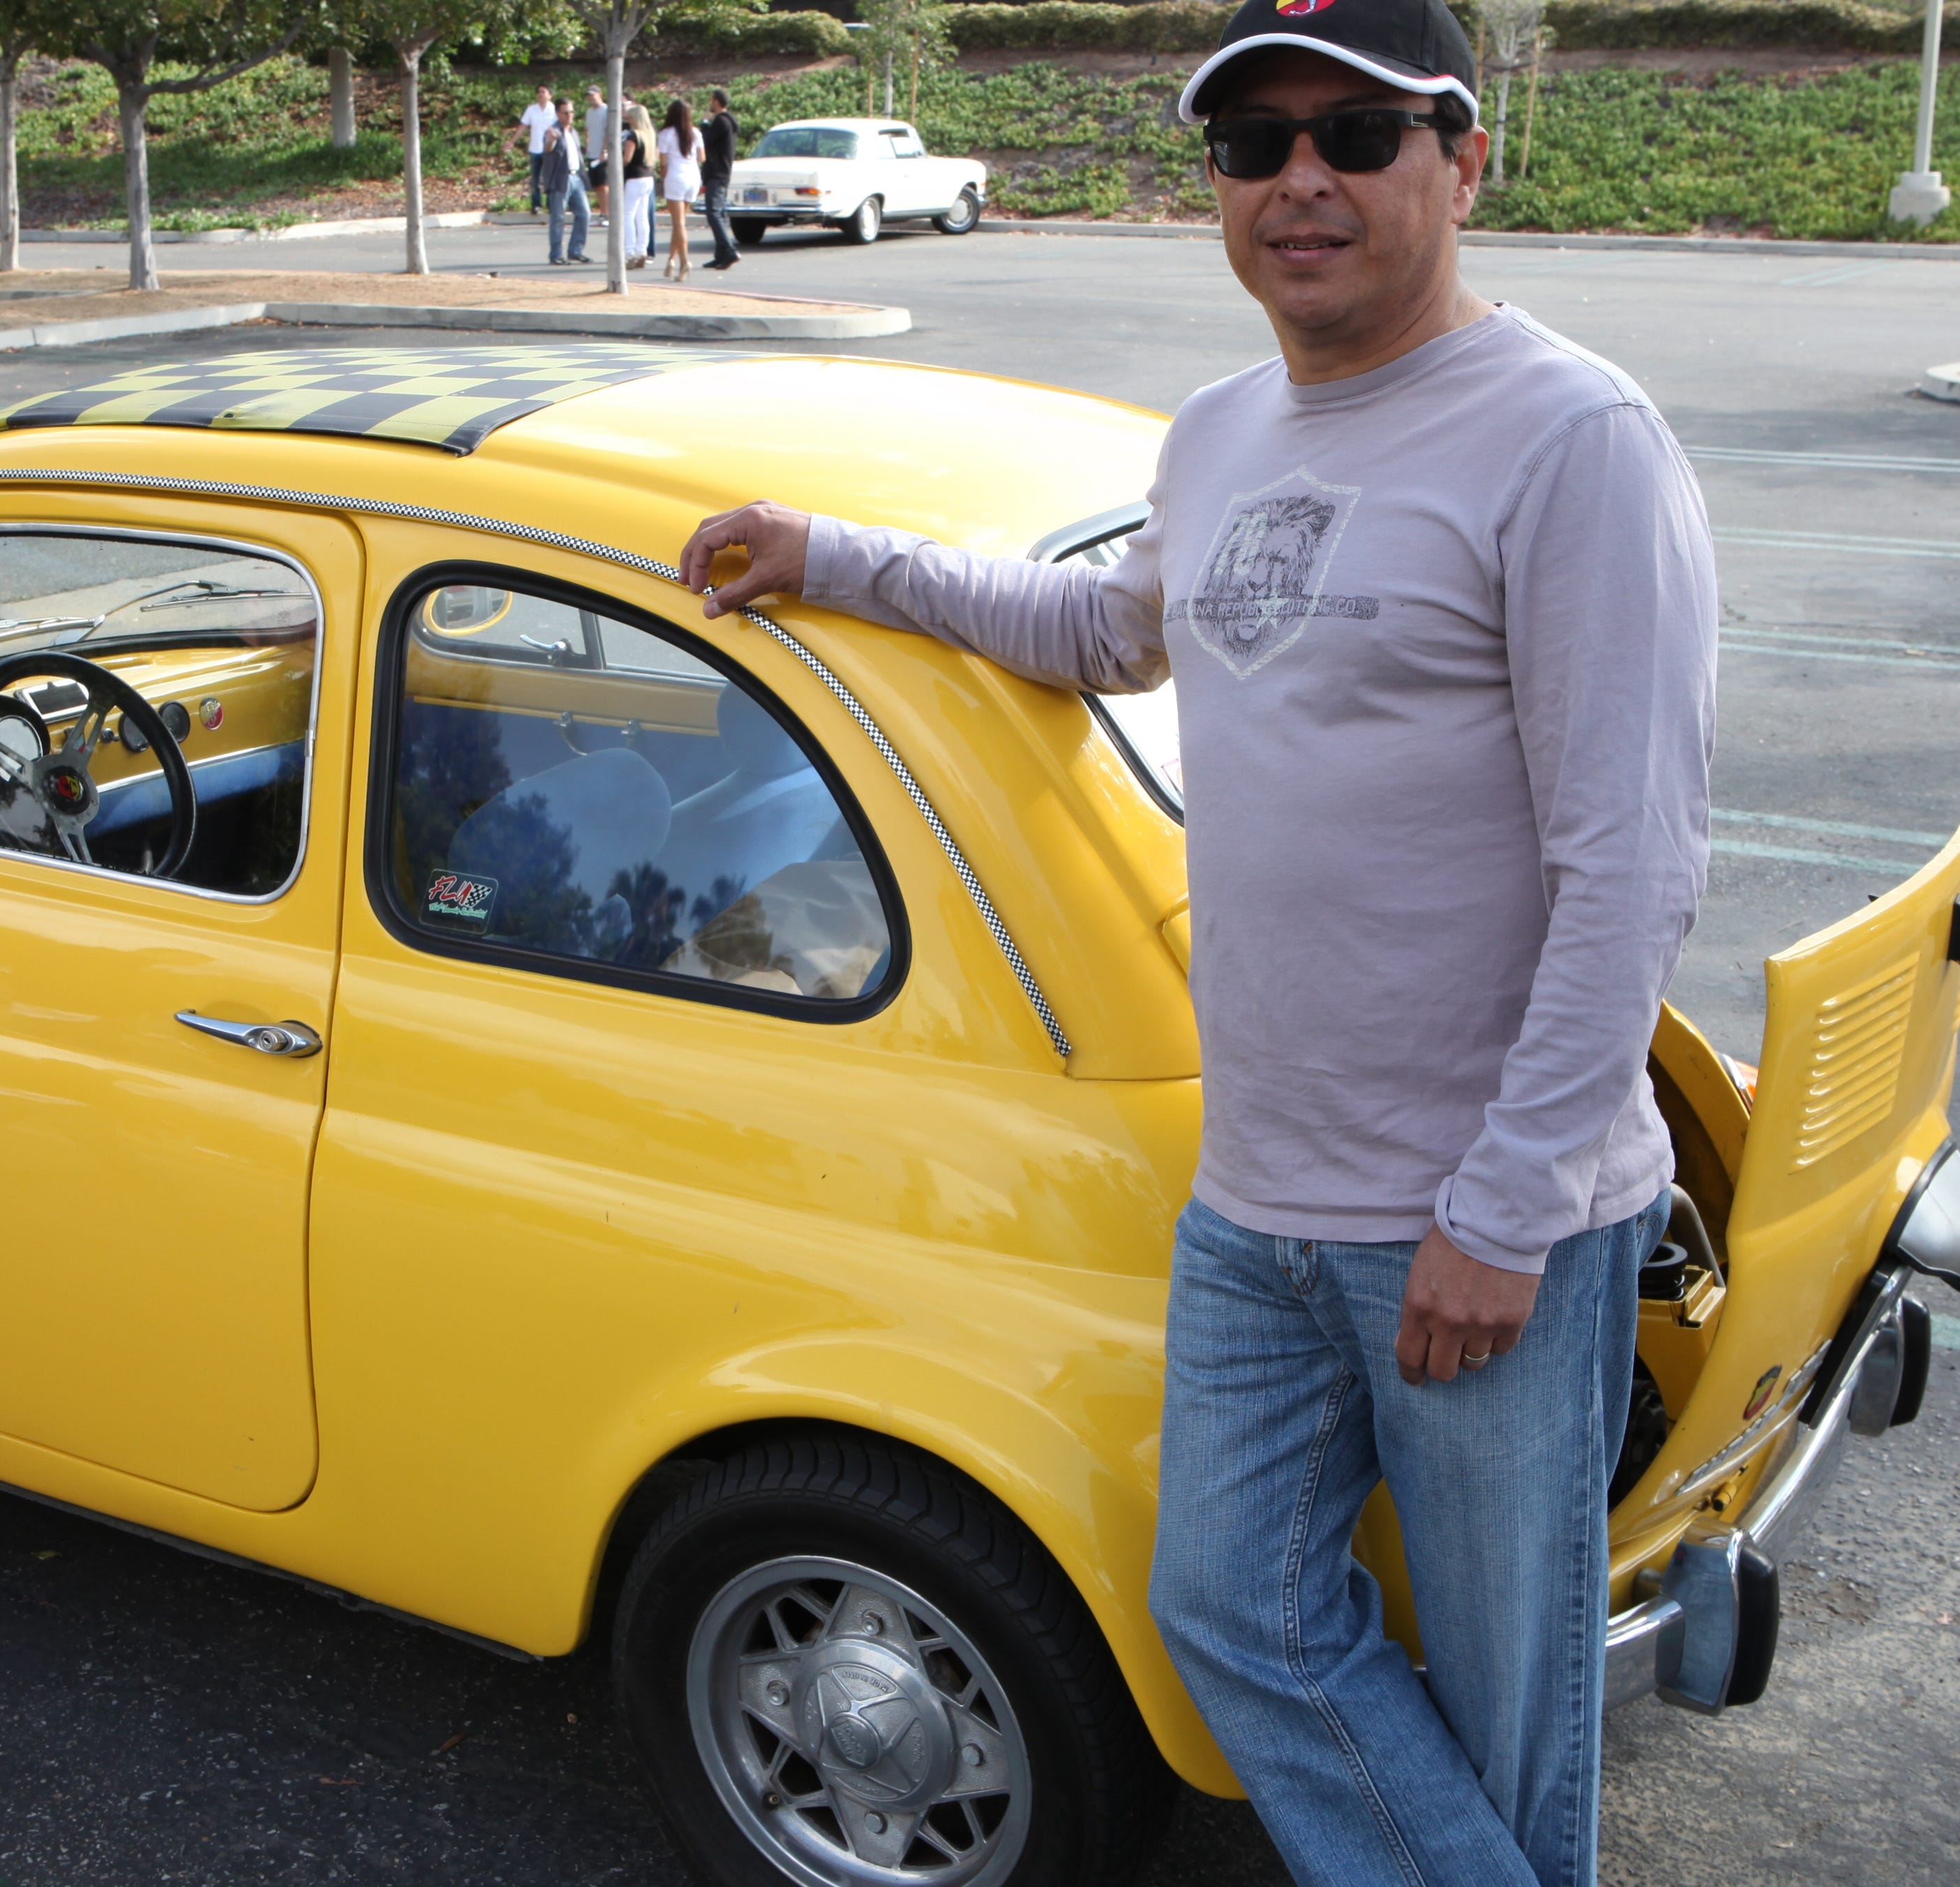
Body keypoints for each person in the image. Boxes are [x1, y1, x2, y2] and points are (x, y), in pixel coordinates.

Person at [677, 0, 1717, 1880]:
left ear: (1465, 161)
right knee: (1233, 1611)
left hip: (1486, 1218)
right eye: (1254, 145)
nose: (1301, 180)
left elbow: (1629, 864)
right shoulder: (1229, 430)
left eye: (1358, 135)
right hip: (1256, 1202)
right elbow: (1099, 632)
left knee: (1507, 1707)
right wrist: (834, 559)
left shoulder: (1574, 440)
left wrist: (1507, 1202)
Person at [654, 97, 698, 281]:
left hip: (676, 176)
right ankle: (671, 260)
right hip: (693, 176)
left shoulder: (666, 134)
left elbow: (663, 163)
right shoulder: (695, 132)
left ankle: (685, 261)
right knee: (679, 222)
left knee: (679, 223)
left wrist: (664, 176)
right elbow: (702, 156)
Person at [540, 100, 588, 266]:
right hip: (561, 179)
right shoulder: (553, 131)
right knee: (558, 218)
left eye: (572, 112)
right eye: (566, 112)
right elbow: (547, 149)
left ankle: (576, 251)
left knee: (584, 214)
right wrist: (551, 141)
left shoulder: (573, 132)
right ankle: (556, 255)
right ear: (558, 114)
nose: (570, 116)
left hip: (577, 178)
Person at [698, 89, 742, 270]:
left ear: (716, 102)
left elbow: (706, 140)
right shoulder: (730, 122)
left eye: (711, 100)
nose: (710, 103)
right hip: (723, 172)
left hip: (716, 173)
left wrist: (704, 123)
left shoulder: (721, 122)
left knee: (714, 213)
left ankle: (729, 250)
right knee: (720, 213)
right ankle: (721, 255)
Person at [616, 104, 654, 267]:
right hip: (647, 177)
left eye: (630, 117)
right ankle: (642, 251)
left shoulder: (634, 136)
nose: (628, 120)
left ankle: (630, 252)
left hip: (634, 178)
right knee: (642, 216)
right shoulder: (650, 134)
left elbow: (627, 159)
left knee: (628, 216)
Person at [518, 83, 558, 212]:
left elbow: (560, 129)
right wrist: (512, 141)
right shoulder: (531, 110)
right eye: (539, 92)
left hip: (550, 150)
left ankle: (551, 204)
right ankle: (536, 205)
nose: (540, 94)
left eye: (544, 92)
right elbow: (523, 126)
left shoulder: (554, 110)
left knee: (550, 178)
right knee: (535, 179)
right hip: (535, 149)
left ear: (550, 95)